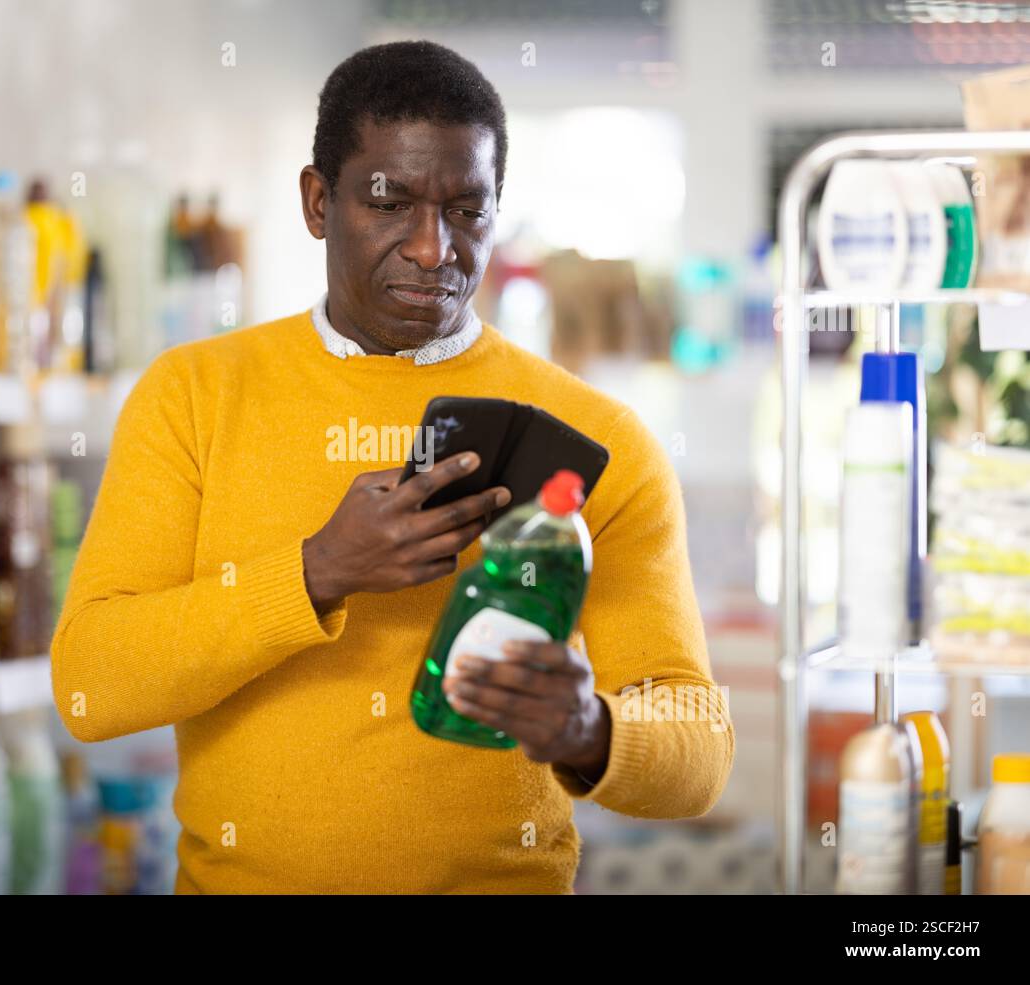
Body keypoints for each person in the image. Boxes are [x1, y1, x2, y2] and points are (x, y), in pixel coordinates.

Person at [52, 40, 733, 894]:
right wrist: (317, 572)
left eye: (466, 210)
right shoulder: (193, 396)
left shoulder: (598, 440)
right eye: (391, 201)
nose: (430, 247)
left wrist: (588, 731)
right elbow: (90, 688)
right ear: (316, 200)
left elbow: (698, 752)